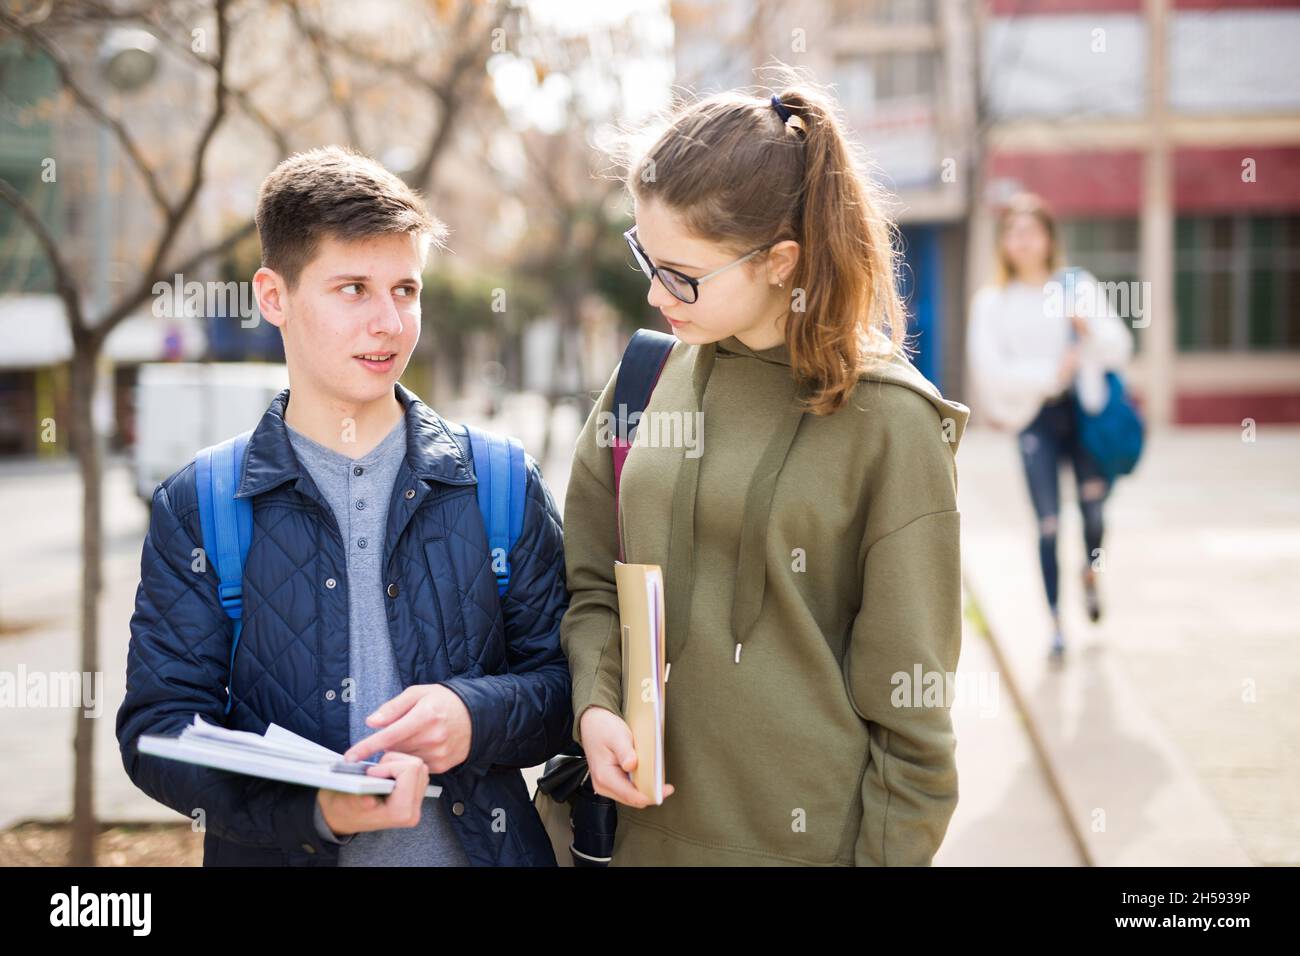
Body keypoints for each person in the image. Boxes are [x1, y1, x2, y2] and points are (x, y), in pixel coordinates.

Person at [116, 146, 572, 866]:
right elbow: (160, 731)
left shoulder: (500, 481)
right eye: (354, 288)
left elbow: (570, 686)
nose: (390, 322)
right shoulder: (199, 505)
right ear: (274, 297)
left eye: (407, 289)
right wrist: (311, 809)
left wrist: (474, 717)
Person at [559, 75, 970, 866]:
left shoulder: (892, 424)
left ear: (781, 260)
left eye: (682, 273)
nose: (653, 292)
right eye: (646, 254)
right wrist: (596, 705)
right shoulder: (647, 378)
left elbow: (913, 727)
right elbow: (592, 583)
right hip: (628, 840)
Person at [966, 193, 1134, 660]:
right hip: (1034, 418)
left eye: (1030, 230)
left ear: (1048, 239)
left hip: (1083, 411)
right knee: (1048, 524)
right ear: (1003, 243)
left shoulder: (1075, 287)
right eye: (1012, 231)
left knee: (1094, 512)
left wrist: (1090, 331)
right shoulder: (992, 303)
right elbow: (989, 370)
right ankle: (1057, 622)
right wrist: (1048, 375)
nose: (1020, 240)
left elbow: (1119, 346)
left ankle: (1091, 572)